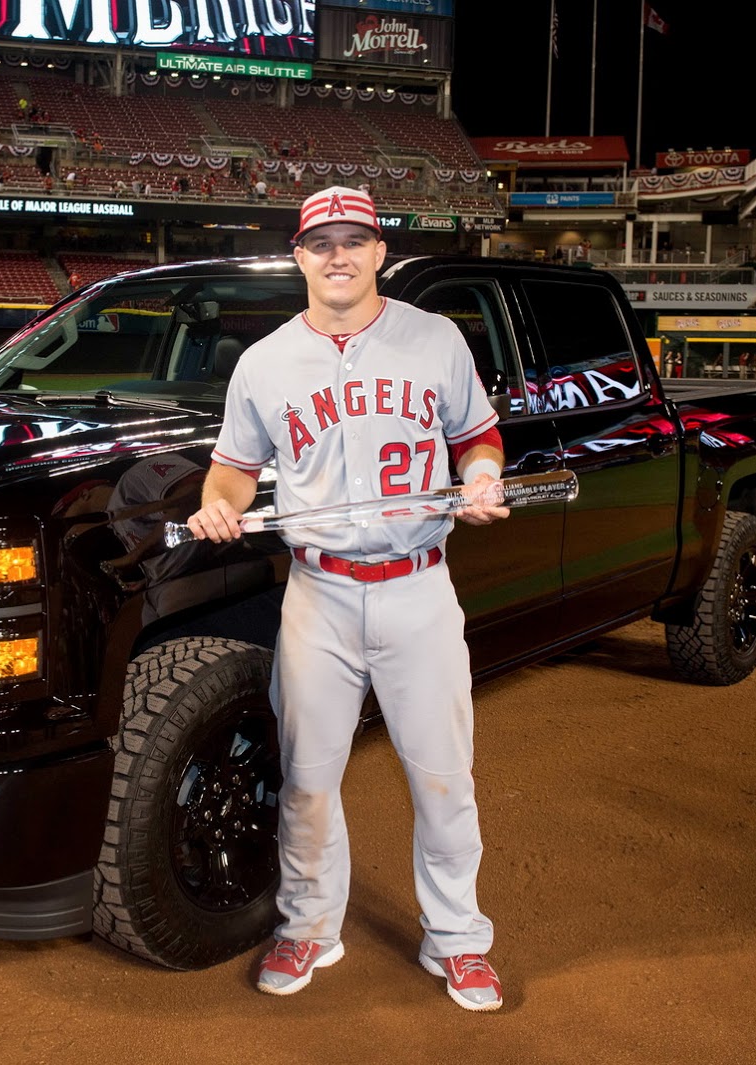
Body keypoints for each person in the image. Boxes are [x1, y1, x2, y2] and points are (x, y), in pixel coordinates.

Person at [185, 186, 509, 1012]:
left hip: (419, 587)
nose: (337, 254)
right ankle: (310, 924)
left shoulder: (433, 339)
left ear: (378, 252)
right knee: (307, 778)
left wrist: (480, 477)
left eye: (353, 239)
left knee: (443, 777)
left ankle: (459, 938)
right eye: (320, 241)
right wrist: (219, 500)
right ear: (299, 256)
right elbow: (235, 465)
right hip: (319, 594)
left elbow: (477, 435)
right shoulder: (263, 362)